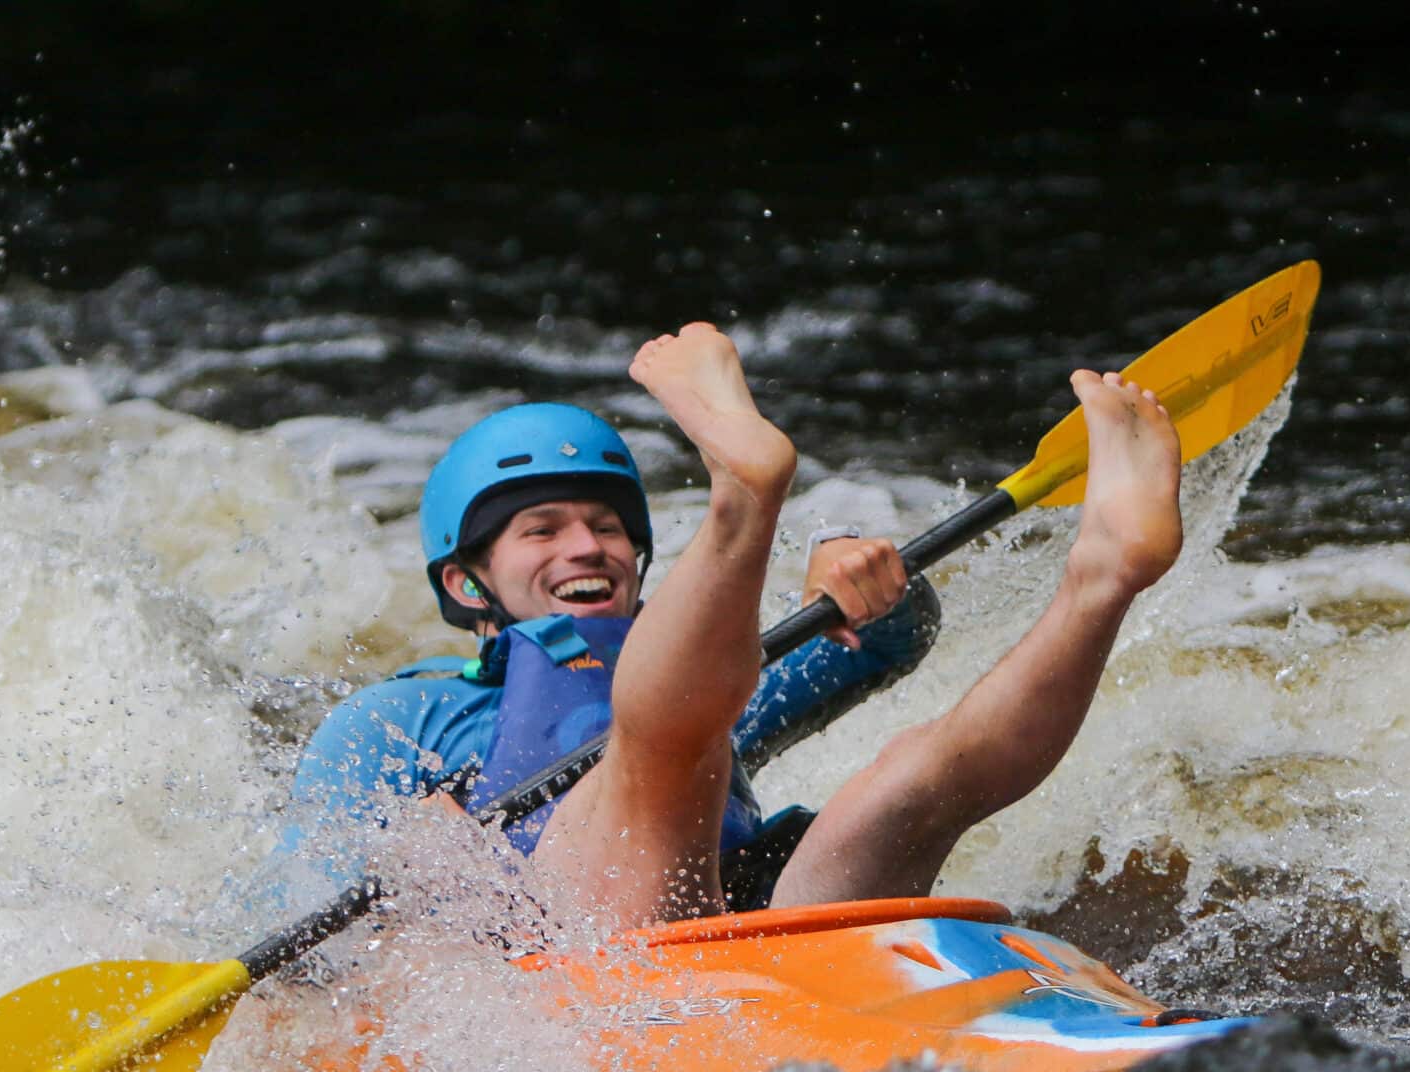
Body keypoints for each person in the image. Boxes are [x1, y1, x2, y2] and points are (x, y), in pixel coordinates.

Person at [292, 321, 1183, 932]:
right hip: (578, 950)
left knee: (921, 775)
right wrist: (416, 863)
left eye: (607, 527)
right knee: (669, 747)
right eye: (542, 530)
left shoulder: (723, 678)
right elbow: (296, 890)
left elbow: (892, 636)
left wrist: (853, 566)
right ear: (465, 581)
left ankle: (1101, 577)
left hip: (765, 930)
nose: (587, 546)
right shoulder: (398, 718)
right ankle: (750, 498)